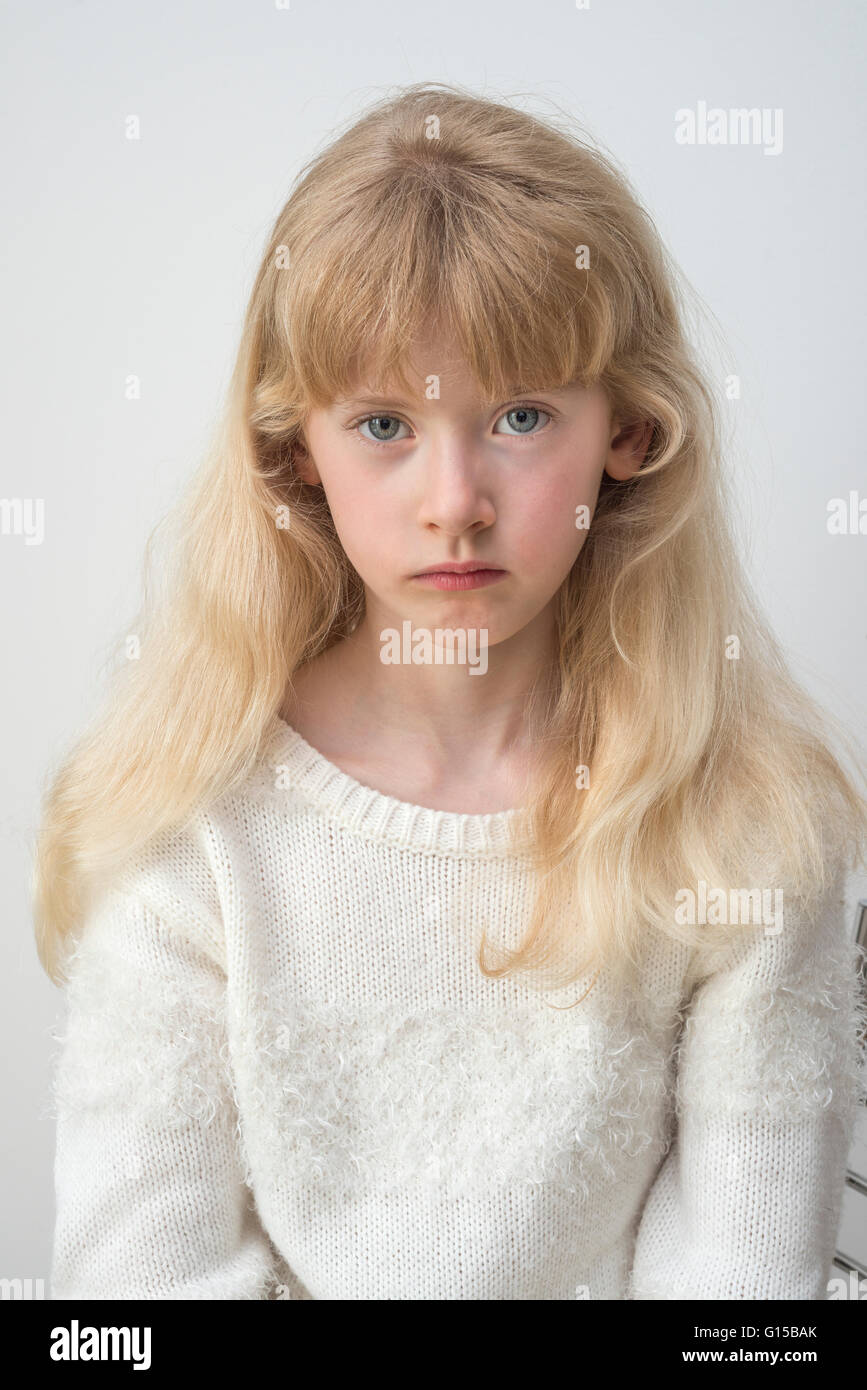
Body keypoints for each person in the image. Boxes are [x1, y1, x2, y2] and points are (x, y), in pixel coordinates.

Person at [36, 81, 867, 1300]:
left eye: (521, 414)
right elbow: (133, 1301)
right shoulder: (182, 828)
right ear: (292, 453)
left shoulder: (747, 824)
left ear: (628, 433)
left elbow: (745, 1303)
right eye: (383, 423)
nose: (455, 499)